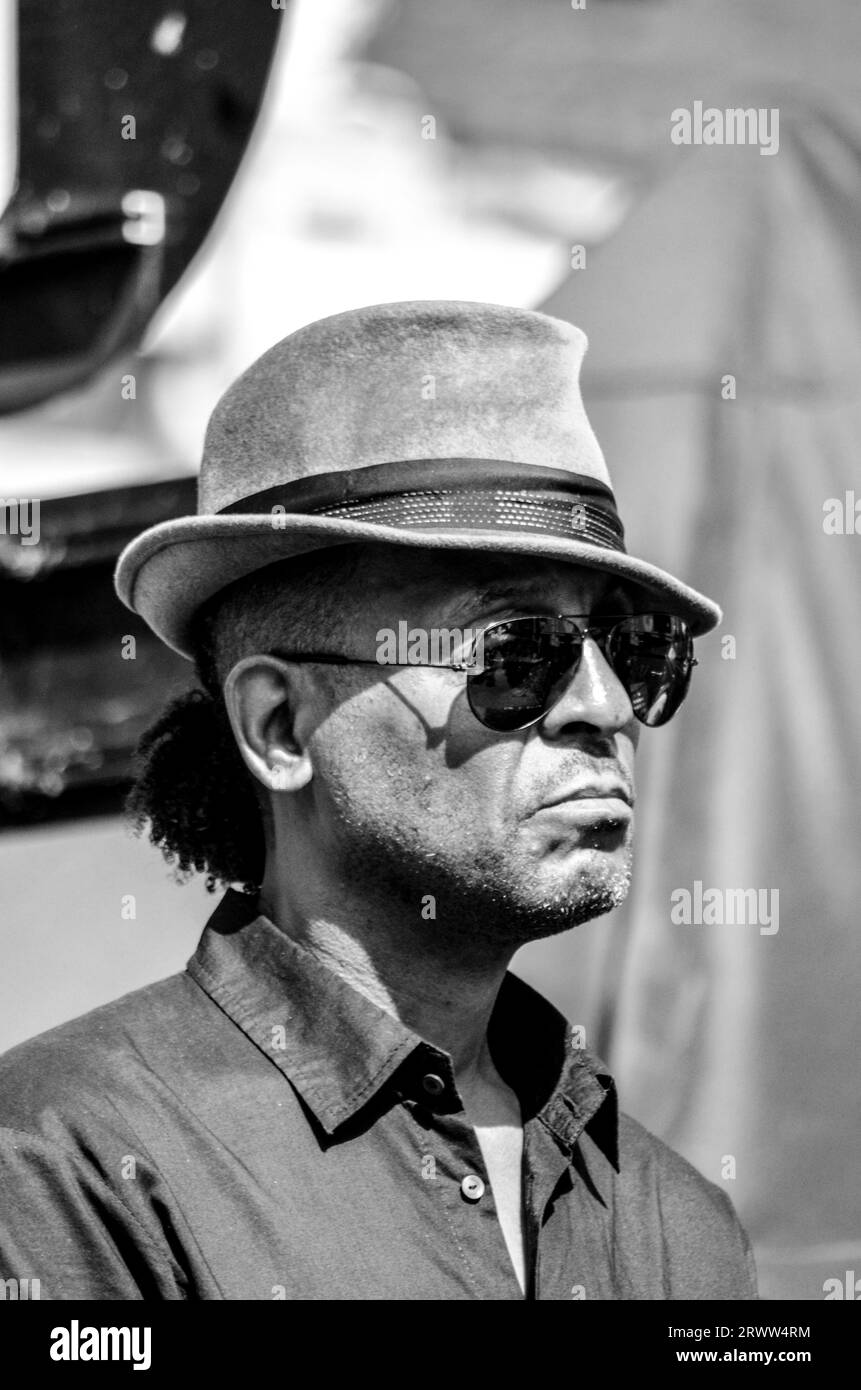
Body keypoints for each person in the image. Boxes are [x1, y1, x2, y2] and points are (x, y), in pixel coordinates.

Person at [0, 301, 758, 1299]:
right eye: (516, 653)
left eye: (634, 651)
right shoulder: (72, 1160)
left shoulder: (682, 1223)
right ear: (278, 725)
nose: (605, 706)